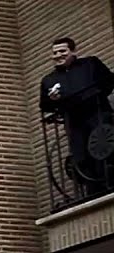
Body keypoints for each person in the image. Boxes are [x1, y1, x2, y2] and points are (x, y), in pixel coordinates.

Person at [39, 38, 114, 199]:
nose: (58, 55)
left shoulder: (90, 64)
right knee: (81, 157)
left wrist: (94, 96)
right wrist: (52, 100)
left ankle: (109, 186)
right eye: (54, 53)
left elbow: (108, 81)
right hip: (74, 123)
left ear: (73, 51)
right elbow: (44, 106)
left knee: (103, 149)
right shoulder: (49, 80)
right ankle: (93, 193)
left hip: (98, 115)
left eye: (62, 51)